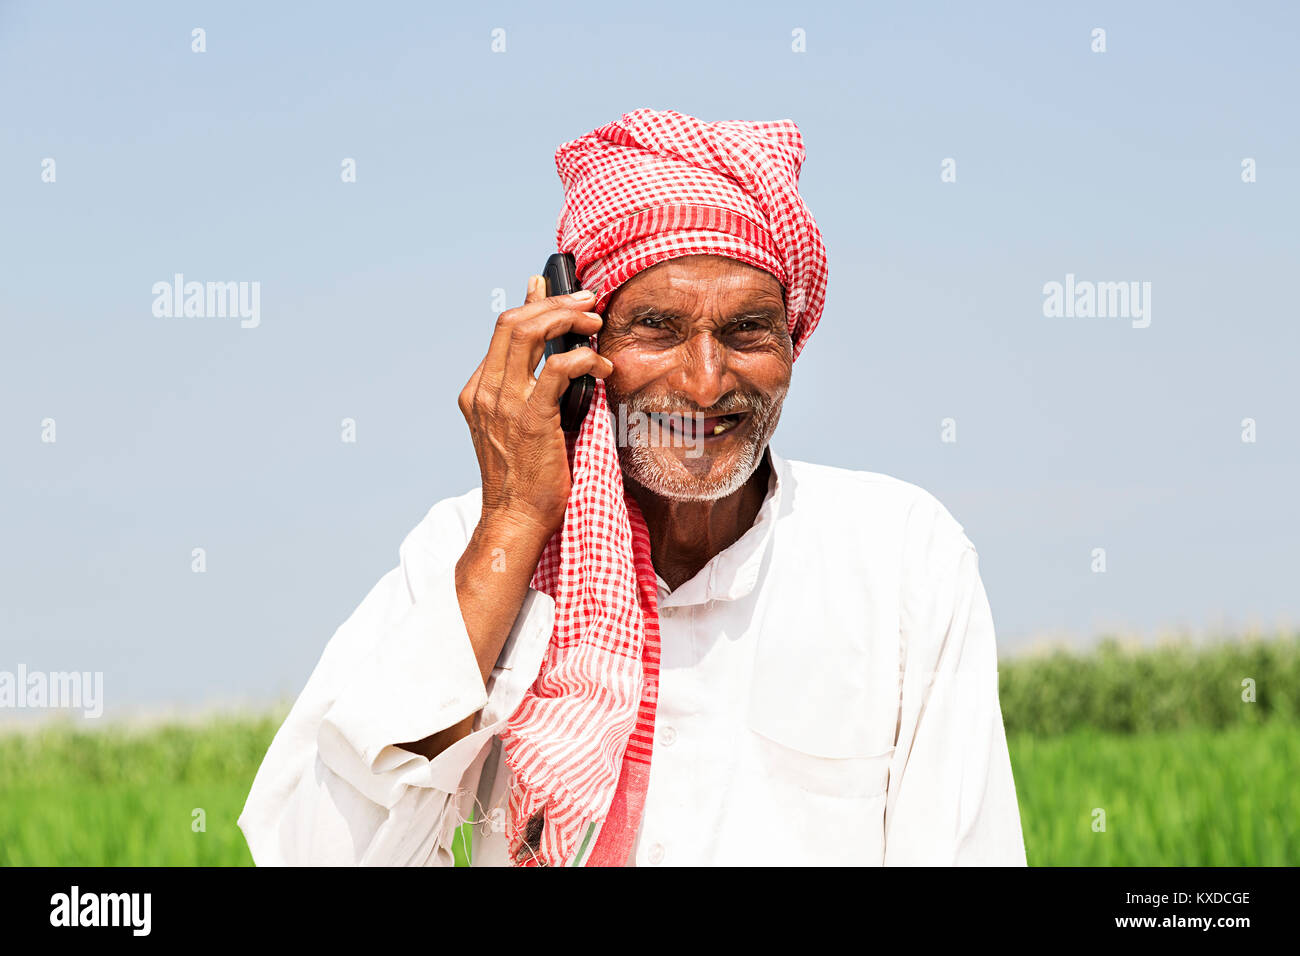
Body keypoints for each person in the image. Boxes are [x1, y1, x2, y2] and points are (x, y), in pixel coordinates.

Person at [238, 108, 1028, 867]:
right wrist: (513, 525)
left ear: (794, 344)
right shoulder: (470, 551)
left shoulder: (901, 557)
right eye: (657, 328)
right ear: (578, 342)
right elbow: (313, 854)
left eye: (748, 330)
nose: (706, 380)